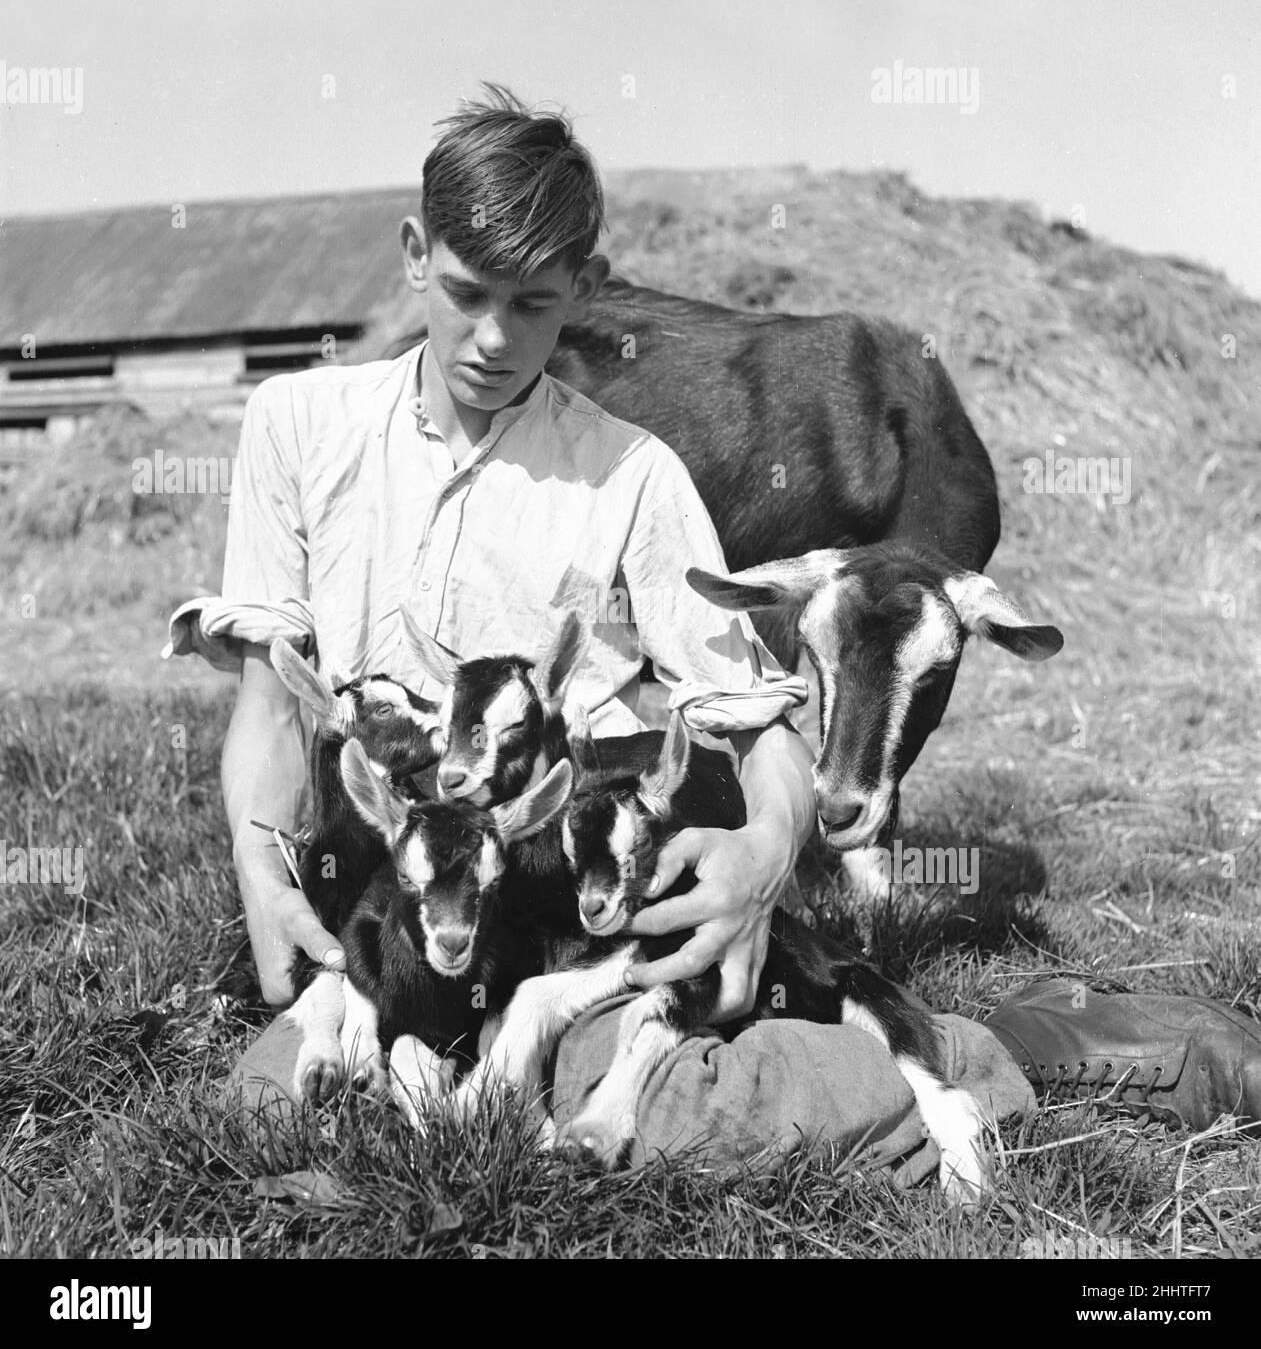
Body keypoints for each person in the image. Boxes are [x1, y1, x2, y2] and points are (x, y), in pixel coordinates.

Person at [166, 86, 1261, 1185]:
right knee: (262, 1110)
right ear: (414, 254)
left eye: (536, 306)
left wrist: (761, 851)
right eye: (467, 294)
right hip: (397, 902)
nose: (496, 339)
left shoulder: (635, 476)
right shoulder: (296, 426)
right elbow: (269, 704)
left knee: (691, 1120)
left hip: (565, 905)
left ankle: (1002, 1044)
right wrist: (264, 868)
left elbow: (757, 723)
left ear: (585, 291)